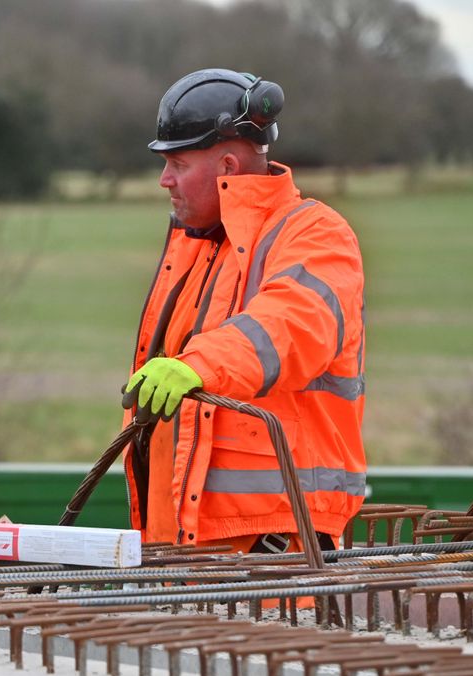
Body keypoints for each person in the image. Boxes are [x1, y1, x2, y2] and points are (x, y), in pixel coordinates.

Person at [121, 68, 365, 556]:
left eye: (178, 164)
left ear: (228, 166)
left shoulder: (316, 235)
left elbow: (289, 325)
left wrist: (196, 367)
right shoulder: (194, 246)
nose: (164, 179)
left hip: (275, 546)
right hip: (183, 543)